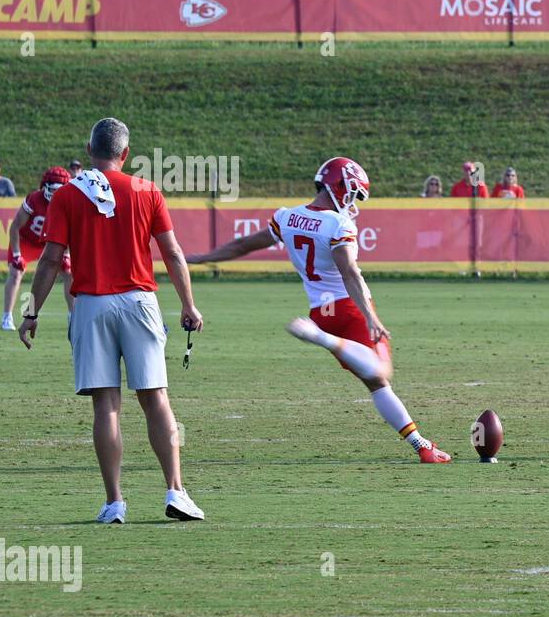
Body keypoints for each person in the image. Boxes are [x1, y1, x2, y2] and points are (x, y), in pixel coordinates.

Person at [187, 157, 452, 464]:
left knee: (376, 382)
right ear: (340, 187)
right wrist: (371, 317)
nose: (353, 202)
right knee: (381, 370)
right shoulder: (337, 224)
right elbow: (349, 272)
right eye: (352, 194)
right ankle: (320, 338)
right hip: (349, 308)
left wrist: (205, 257)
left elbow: (246, 244)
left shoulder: (287, 217)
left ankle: (422, 446)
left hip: (322, 313)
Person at [18, 117, 205, 524]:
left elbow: (51, 260)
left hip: (91, 305)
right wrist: (188, 304)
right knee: (155, 399)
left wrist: (31, 311)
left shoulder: (68, 194)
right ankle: (175, 490)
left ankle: (114, 502)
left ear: (89, 151)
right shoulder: (147, 189)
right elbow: (172, 253)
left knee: (106, 405)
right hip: (140, 301)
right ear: (126, 154)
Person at [1, 167, 74, 331]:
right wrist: (17, 255)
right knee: (15, 271)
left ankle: (73, 315)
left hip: (50, 242)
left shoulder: (68, 202)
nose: (55, 193)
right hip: (27, 241)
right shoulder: (35, 199)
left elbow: (71, 231)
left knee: (69, 272)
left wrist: (67, 254)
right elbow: (15, 227)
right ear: (44, 186)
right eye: (52, 189)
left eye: (59, 190)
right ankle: (7, 316)